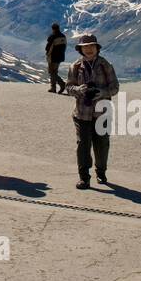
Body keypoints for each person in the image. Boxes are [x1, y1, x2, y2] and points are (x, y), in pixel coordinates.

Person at [68, 34, 119, 189]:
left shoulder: (106, 65)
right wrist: (78, 89)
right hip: (81, 113)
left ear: (97, 48)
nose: (89, 49)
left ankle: (101, 172)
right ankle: (84, 177)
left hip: (102, 113)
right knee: (83, 145)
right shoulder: (75, 66)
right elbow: (69, 87)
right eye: (85, 47)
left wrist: (102, 93)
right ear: (80, 49)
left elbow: (115, 87)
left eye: (92, 46)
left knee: (102, 144)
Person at [45, 23, 68, 94]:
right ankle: (53, 88)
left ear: (52, 29)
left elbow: (48, 48)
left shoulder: (52, 36)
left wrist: (47, 54)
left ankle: (61, 84)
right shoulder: (63, 36)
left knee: (51, 72)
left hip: (53, 57)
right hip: (60, 56)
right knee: (54, 72)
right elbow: (65, 46)